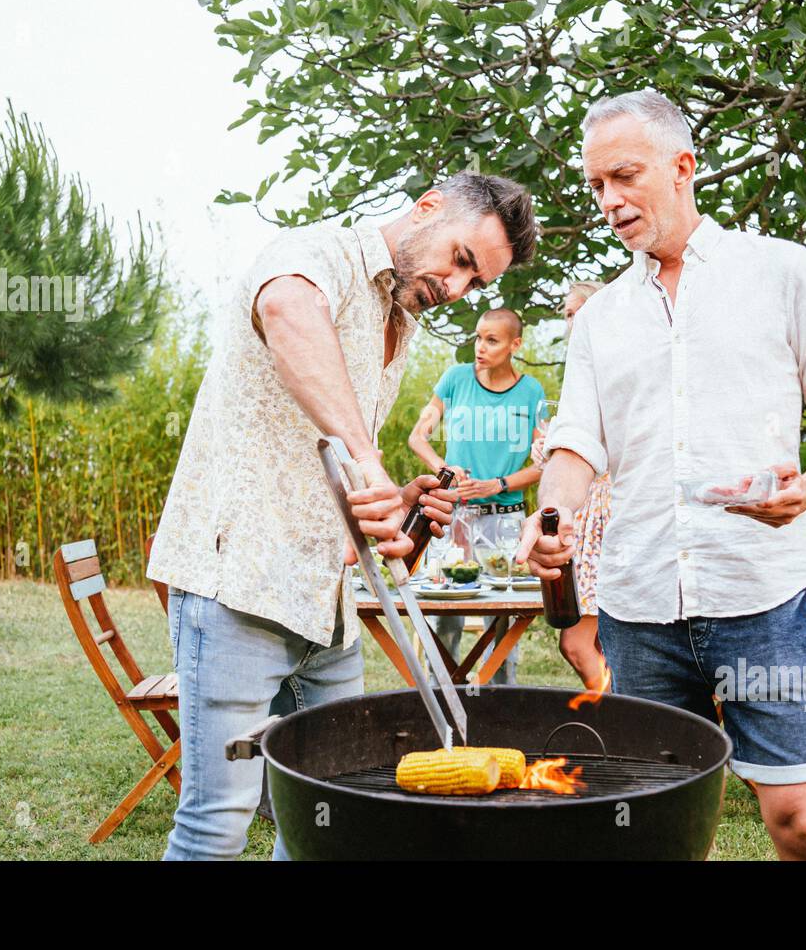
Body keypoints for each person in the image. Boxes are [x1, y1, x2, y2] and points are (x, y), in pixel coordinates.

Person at [517, 89, 806, 861]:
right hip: (640, 610)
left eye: (624, 177)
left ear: (683, 166)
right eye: (595, 187)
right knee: (651, 836)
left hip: (761, 597)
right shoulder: (603, 318)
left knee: (800, 827)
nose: (609, 201)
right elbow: (575, 446)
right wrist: (553, 521)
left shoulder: (780, 271)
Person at [148, 171, 538, 860]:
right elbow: (288, 310)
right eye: (461, 259)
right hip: (240, 581)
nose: (456, 286)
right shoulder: (319, 254)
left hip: (329, 600)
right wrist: (371, 461)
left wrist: (406, 499)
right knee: (217, 825)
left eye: (475, 283)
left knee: (331, 817)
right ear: (428, 208)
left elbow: (326, 451)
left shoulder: (402, 317)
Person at [407, 308, 545, 684]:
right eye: (478, 338)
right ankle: (442, 700)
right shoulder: (454, 379)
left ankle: (502, 704)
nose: (480, 347)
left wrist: (497, 484)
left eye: (492, 340)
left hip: (505, 522)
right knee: (445, 616)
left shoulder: (531, 392)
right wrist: (443, 469)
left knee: (502, 620)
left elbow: (543, 464)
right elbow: (419, 437)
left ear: (515, 344)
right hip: (455, 521)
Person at [534, 280, 610, 691]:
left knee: (577, 643)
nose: (572, 320)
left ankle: (625, 717)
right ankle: (623, 715)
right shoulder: (580, 371)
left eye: (580, 310)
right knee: (595, 642)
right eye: (567, 313)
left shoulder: (616, 364)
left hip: (604, 524)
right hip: (579, 523)